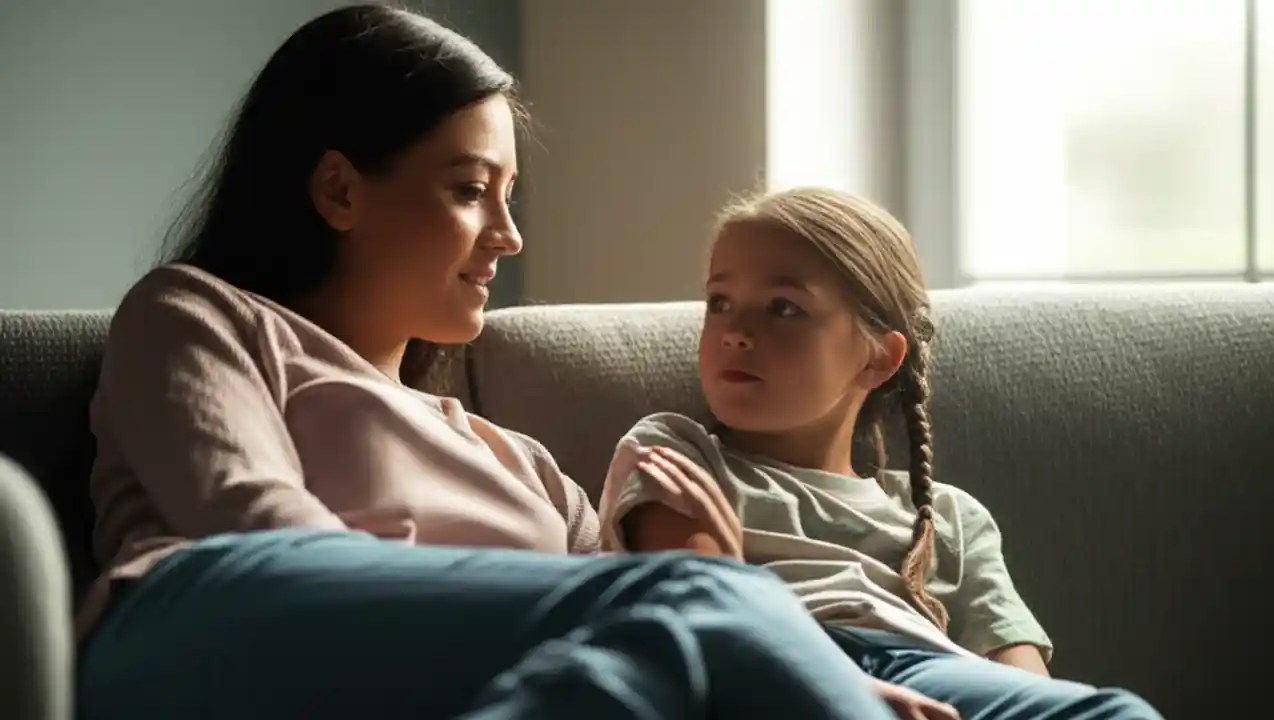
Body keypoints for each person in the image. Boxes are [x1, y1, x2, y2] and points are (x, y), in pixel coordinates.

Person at [74, 6, 914, 719]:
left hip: (453, 681)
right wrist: (736, 623)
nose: (508, 236)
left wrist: (803, 665)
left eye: (508, 197)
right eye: (472, 190)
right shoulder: (197, 313)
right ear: (339, 190)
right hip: (209, 628)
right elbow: (256, 532)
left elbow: (661, 629)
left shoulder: (519, 464)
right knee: (715, 603)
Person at [599, 187, 1165, 720]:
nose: (735, 332)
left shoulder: (946, 517)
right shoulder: (676, 450)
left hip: (933, 678)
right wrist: (839, 692)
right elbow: (708, 605)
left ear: (878, 358)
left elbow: (1028, 687)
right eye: (719, 301)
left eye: (783, 308)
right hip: (769, 673)